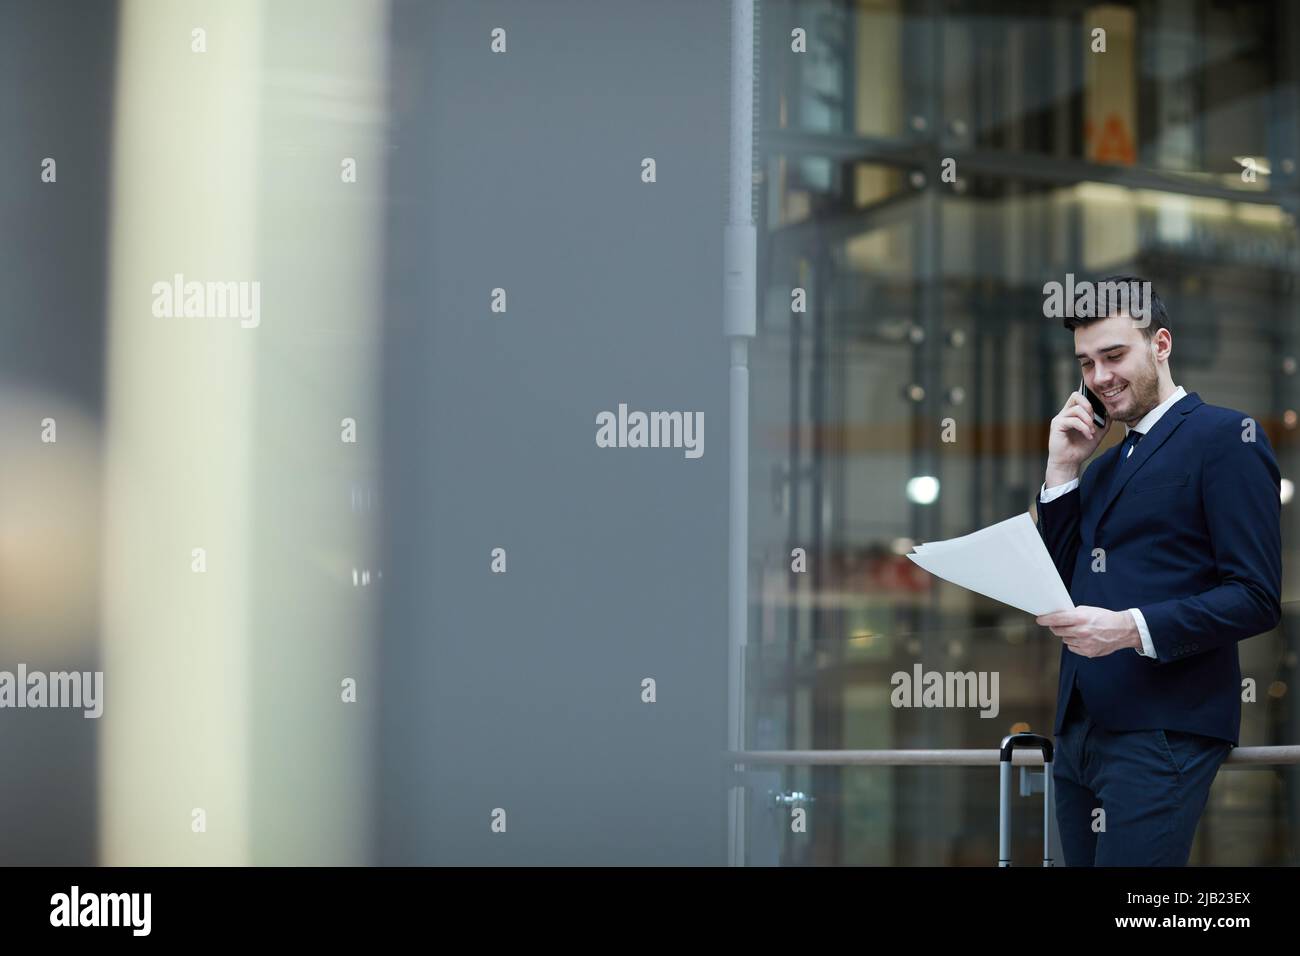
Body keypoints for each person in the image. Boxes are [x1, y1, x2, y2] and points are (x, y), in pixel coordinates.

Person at [1034, 275, 1282, 866]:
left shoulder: (1225, 438)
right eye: (1086, 363)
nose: (1099, 377)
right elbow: (1062, 582)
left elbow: (1255, 596)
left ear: (1161, 344)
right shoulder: (1099, 467)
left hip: (1163, 730)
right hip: (1078, 731)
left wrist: (1129, 629)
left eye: (1114, 355)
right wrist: (1062, 470)